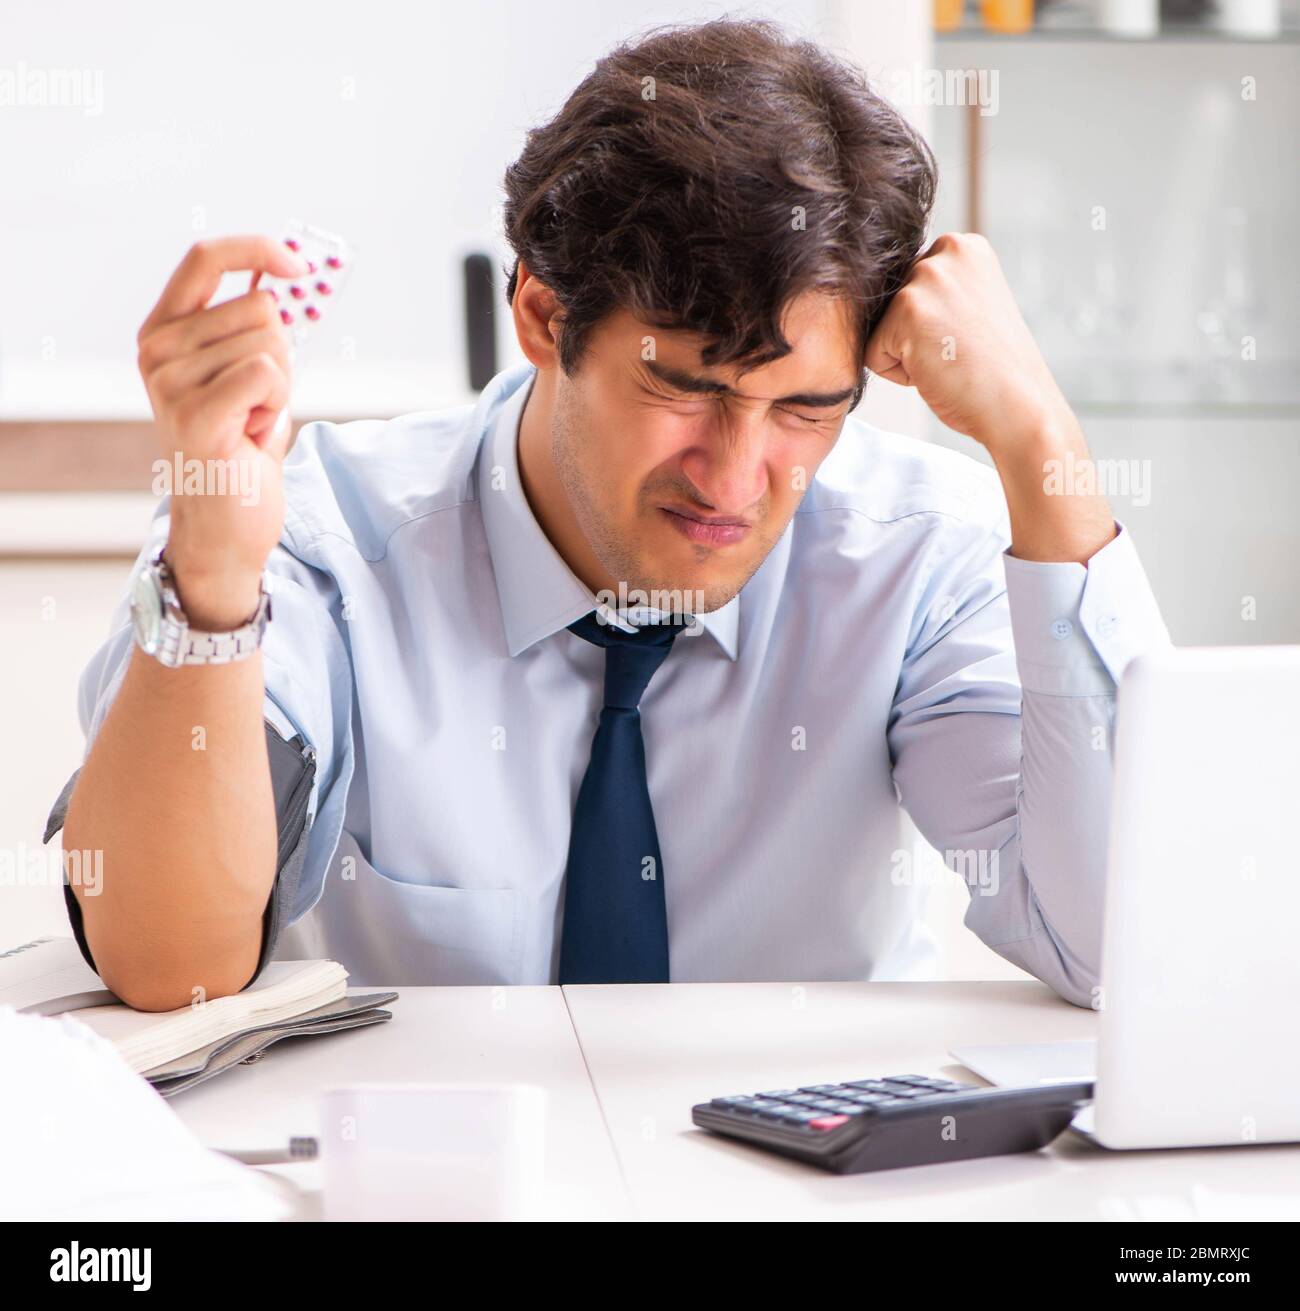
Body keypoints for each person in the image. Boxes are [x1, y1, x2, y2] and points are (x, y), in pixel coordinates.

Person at [48, 18, 1168, 1010]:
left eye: (805, 412)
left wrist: (1043, 447)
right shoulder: (318, 537)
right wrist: (208, 571)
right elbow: (167, 965)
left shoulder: (918, 556)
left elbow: (1116, 951)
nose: (734, 479)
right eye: (684, 389)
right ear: (543, 314)